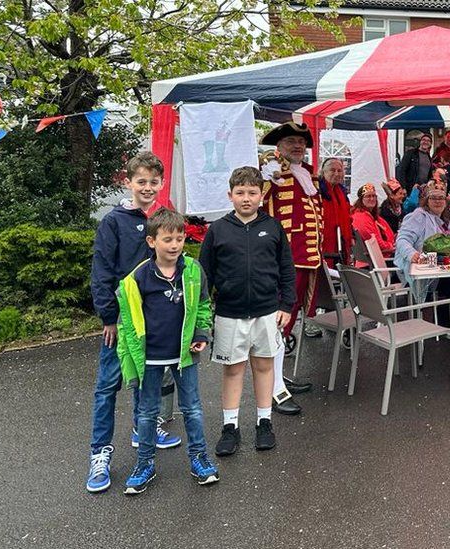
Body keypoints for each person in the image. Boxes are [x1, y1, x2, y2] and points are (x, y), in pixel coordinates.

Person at [86, 151, 182, 494]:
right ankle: (100, 454)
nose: (148, 187)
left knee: (148, 381)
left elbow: (170, 266)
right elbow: (102, 272)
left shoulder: (161, 220)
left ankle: (144, 429)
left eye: (154, 182)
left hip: (153, 322)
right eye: (141, 181)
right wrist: (109, 317)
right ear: (128, 182)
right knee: (108, 387)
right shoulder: (113, 222)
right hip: (121, 323)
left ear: (160, 184)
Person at [116, 208, 219, 494]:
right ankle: (145, 464)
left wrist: (201, 334)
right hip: (149, 357)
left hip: (183, 355)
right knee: (147, 413)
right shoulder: (136, 278)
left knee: (193, 409)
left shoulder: (193, 270)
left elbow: (202, 307)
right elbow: (127, 322)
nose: (174, 245)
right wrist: (129, 362)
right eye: (167, 240)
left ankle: (199, 458)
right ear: (152, 242)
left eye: (179, 238)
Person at [200, 166, 297, 457]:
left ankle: (263, 421)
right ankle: (230, 426)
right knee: (233, 370)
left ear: (261, 195)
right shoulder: (218, 230)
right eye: (240, 192)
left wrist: (286, 305)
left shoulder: (273, 227)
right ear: (230, 195)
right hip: (230, 313)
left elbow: (286, 269)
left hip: (267, 312)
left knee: (264, 365)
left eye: (252, 192)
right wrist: (204, 313)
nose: (246, 198)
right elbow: (206, 274)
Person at [258, 121, 320, 411]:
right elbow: (259, 192)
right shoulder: (271, 170)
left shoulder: (307, 173)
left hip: (307, 260)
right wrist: (267, 171)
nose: (297, 146)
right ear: (279, 147)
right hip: (283, 259)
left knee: (288, 321)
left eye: (301, 142)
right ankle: (274, 388)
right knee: (277, 322)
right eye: (291, 142)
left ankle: (278, 376)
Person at [394, 181, 450, 333]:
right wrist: (412, 254)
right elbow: (402, 240)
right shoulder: (418, 216)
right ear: (426, 200)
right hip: (424, 272)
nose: (437, 201)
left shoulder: (445, 220)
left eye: (441, 198)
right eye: (433, 198)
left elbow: (447, 243)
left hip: (441, 267)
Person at [351, 183, 396, 256]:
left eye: (374, 196)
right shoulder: (360, 217)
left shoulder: (375, 217)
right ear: (361, 199)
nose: (372, 199)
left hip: (381, 256)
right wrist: (391, 246)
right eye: (368, 196)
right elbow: (373, 242)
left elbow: (390, 234)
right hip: (372, 261)